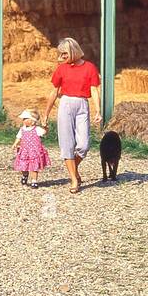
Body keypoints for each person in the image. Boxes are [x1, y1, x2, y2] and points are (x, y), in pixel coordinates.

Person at [42, 37, 100, 194]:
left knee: (84, 144)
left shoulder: (89, 68)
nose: (62, 57)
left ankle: (73, 168)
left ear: (73, 51)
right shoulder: (62, 69)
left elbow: (94, 89)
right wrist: (46, 113)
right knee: (67, 142)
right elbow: (54, 91)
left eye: (64, 54)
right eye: (61, 54)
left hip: (82, 104)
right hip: (66, 104)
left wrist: (98, 110)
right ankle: (74, 179)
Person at [13, 109, 49, 188]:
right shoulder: (22, 129)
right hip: (25, 151)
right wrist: (15, 143)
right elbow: (19, 137)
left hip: (34, 152)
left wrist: (45, 127)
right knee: (24, 165)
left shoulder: (36, 129)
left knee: (34, 167)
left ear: (32, 121)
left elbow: (44, 132)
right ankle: (25, 176)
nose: (23, 120)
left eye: (25, 119)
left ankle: (34, 180)